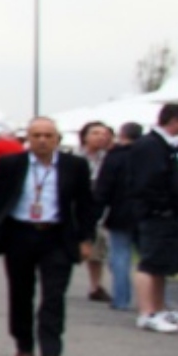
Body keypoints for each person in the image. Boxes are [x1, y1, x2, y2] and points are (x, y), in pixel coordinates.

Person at [0, 117, 95, 356]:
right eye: (36, 135)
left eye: (48, 136)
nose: (42, 140)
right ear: (27, 139)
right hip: (20, 235)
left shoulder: (74, 166)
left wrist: (86, 238)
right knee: (21, 294)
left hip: (56, 236)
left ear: (57, 140)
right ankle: (24, 346)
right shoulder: (12, 164)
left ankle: (51, 355)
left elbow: (86, 204)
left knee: (53, 296)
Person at [127, 103, 178, 333]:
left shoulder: (168, 146)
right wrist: (164, 205)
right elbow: (149, 182)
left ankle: (160, 308)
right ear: (175, 121)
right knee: (149, 264)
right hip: (157, 214)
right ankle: (146, 313)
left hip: (170, 215)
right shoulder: (151, 146)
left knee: (161, 266)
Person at [93, 121, 144, 311]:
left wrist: (95, 213)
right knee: (148, 258)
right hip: (145, 212)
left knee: (120, 256)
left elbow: (103, 188)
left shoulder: (114, 157)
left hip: (120, 211)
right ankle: (154, 299)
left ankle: (121, 299)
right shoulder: (147, 155)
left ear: (122, 135)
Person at [75, 120, 114, 300]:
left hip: (99, 209)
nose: (101, 137)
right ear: (85, 136)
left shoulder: (109, 159)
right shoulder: (75, 158)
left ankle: (95, 286)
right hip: (75, 207)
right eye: (95, 133)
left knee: (97, 250)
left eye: (104, 134)